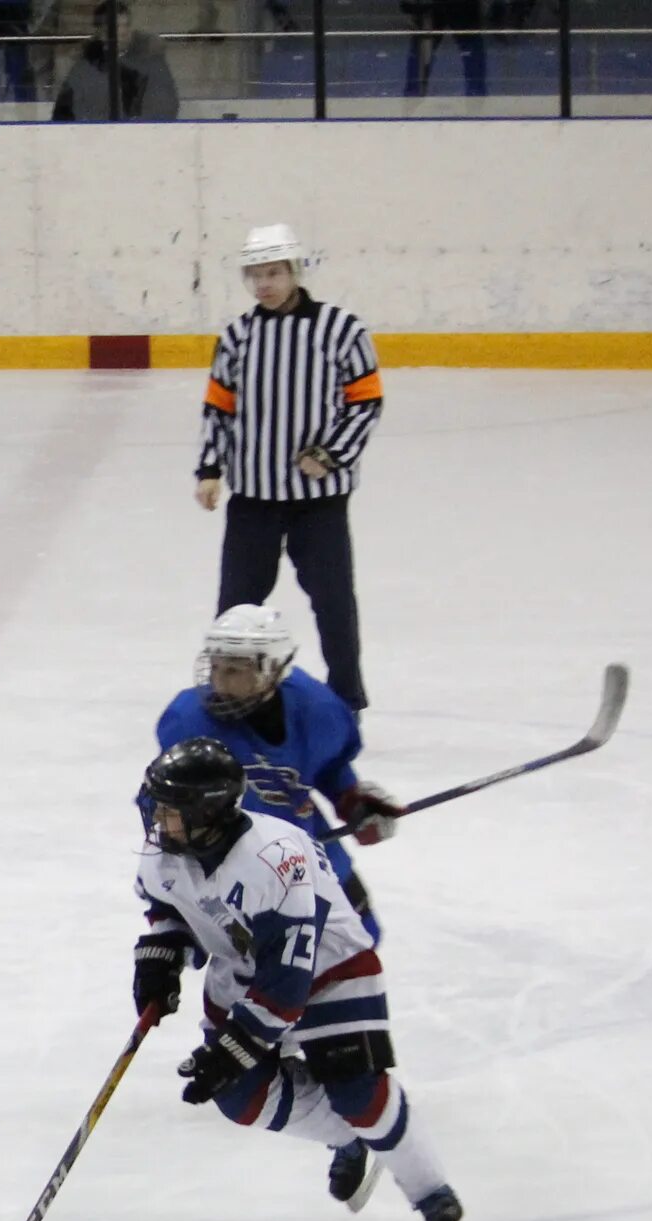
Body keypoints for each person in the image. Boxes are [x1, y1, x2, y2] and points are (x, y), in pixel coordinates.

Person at [135, 738, 461, 1221]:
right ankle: (352, 1138)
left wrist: (233, 1047)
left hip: (332, 968)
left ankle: (428, 1188)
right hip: (242, 970)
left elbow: (286, 983)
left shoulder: (272, 859)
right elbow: (170, 908)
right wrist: (162, 954)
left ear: (206, 814)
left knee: (358, 1090)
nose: (159, 819)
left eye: (170, 809)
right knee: (240, 1096)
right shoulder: (167, 853)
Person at [195, 223, 384, 709]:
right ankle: (227, 696)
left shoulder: (342, 329)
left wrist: (331, 454)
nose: (264, 283)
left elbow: (365, 402)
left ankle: (346, 698)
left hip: (319, 503)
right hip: (253, 500)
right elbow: (219, 407)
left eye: (274, 272)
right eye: (255, 274)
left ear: (295, 271)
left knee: (334, 603)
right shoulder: (237, 336)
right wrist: (210, 469)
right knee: (235, 607)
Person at [153, 603, 400, 919]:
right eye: (214, 668)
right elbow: (161, 803)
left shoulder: (318, 710)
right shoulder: (188, 723)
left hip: (306, 850)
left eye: (233, 670)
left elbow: (330, 767)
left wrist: (354, 804)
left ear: (271, 668)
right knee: (264, 962)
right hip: (227, 867)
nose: (219, 683)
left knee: (359, 937)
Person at [48, 0, 178, 119]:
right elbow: (64, 113)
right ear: (101, 31)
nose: (123, 32)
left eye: (126, 25)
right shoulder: (84, 68)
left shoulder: (151, 62)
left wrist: (138, 126)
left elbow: (167, 105)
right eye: (116, 27)